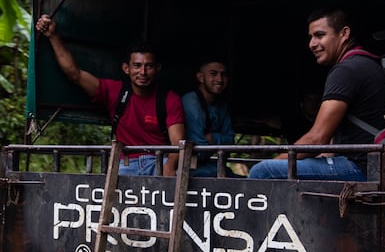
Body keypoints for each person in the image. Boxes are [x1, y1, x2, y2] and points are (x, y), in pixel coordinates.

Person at [248, 7, 385, 181]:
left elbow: (317, 138)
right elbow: (333, 143)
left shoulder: (346, 70)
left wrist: (278, 161)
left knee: (263, 171)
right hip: (371, 166)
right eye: (310, 37)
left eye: (320, 35)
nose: (312, 44)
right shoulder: (366, 64)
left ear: (344, 33)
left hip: (361, 168)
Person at [35, 14, 186, 176]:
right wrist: (53, 36)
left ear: (157, 69)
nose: (142, 72)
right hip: (127, 163)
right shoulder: (115, 92)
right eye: (137, 65)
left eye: (149, 66)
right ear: (126, 69)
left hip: (159, 161)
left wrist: (169, 166)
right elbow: (75, 74)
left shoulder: (169, 99)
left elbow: (178, 143)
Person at [181, 60, 236, 177]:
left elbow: (231, 141)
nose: (220, 79)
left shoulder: (221, 104)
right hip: (188, 167)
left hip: (207, 165)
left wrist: (213, 138)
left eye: (223, 74)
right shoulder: (191, 102)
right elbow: (199, 148)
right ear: (201, 77)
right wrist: (219, 141)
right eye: (213, 73)